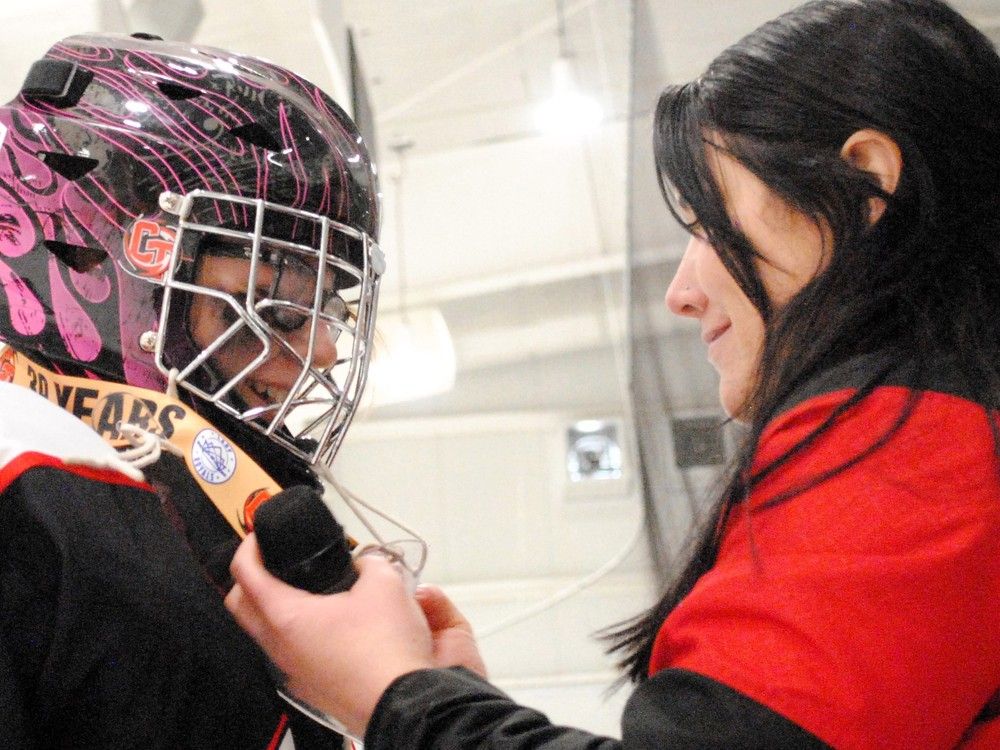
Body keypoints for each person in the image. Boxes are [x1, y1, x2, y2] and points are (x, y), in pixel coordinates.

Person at [224, 0, 1000, 748]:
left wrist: (396, 695)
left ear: (863, 184)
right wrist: (458, 712)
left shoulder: (925, 436)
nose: (681, 293)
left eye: (706, 226)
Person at [0, 31, 383, 749]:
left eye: (325, 310)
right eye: (271, 310)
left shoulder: (221, 534)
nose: (326, 351)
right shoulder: (28, 485)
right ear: (91, 268)